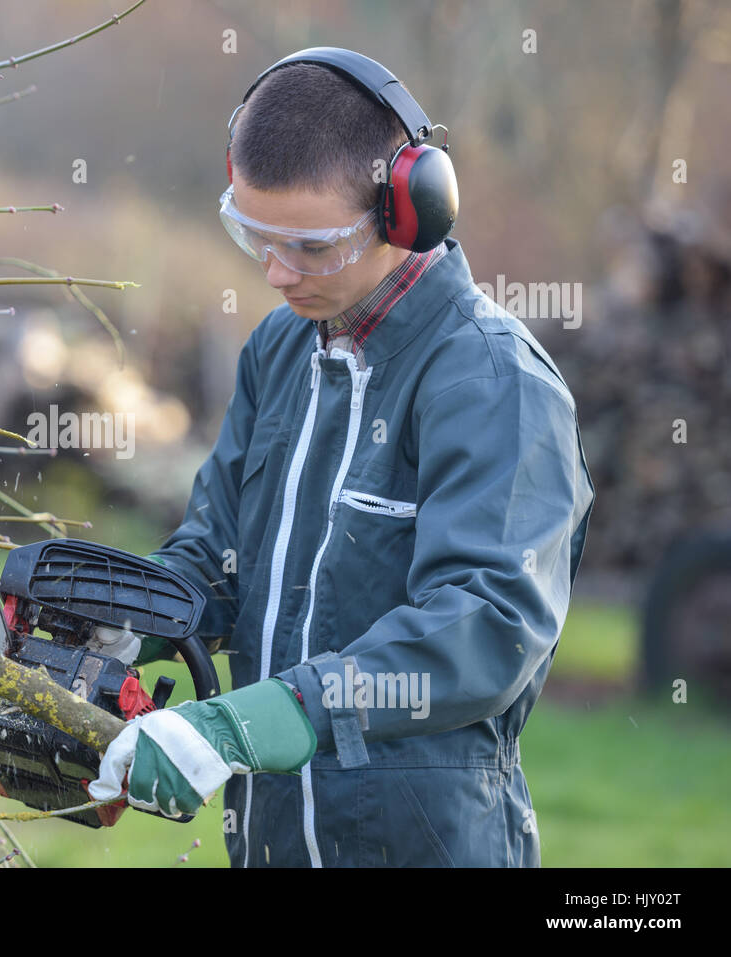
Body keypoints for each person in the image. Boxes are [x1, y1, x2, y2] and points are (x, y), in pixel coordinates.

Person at [87, 48, 596, 867]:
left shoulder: (492, 382)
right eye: (254, 235)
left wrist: (254, 721)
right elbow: (217, 562)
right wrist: (109, 623)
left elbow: (488, 623)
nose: (277, 272)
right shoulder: (278, 351)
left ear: (407, 211)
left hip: (422, 844)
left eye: (311, 246)